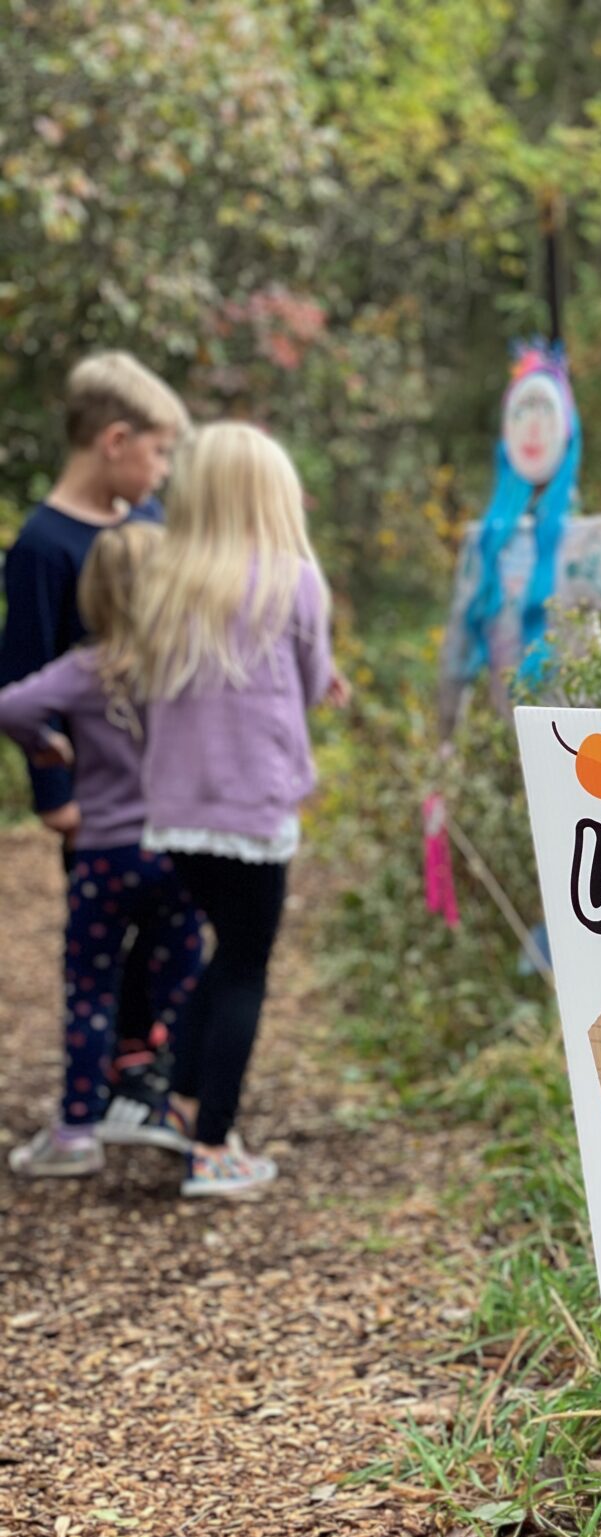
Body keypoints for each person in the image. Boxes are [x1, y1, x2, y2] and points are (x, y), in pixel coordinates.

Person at [133, 421, 347, 1198]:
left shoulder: (163, 581)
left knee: (224, 952)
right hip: (253, 812)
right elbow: (314, 671)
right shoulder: (293, 581)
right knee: (246, 965)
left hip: (179, 814)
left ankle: (183, 1104)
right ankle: (215, 1147)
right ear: (271, 497)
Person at [0, 350, 190, 1119]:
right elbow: (22, 679)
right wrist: (53, 785)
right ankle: (108, 1077)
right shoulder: (43, 547)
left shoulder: (150, 525)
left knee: (172, 930)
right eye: (158, 451)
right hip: (97, 802)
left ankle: (140, 1071)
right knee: (102, 944)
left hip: (172, 792)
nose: (164, 469)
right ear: (115, 441)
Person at [0, 524, 204, 1177]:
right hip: (179, 854)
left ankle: (77, 1131)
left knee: (90, 989)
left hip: (104, 855)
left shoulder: (83, 670)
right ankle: (178, 1112)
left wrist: (49, 748)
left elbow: (12, 707)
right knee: (181, 988)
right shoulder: (192, 667)